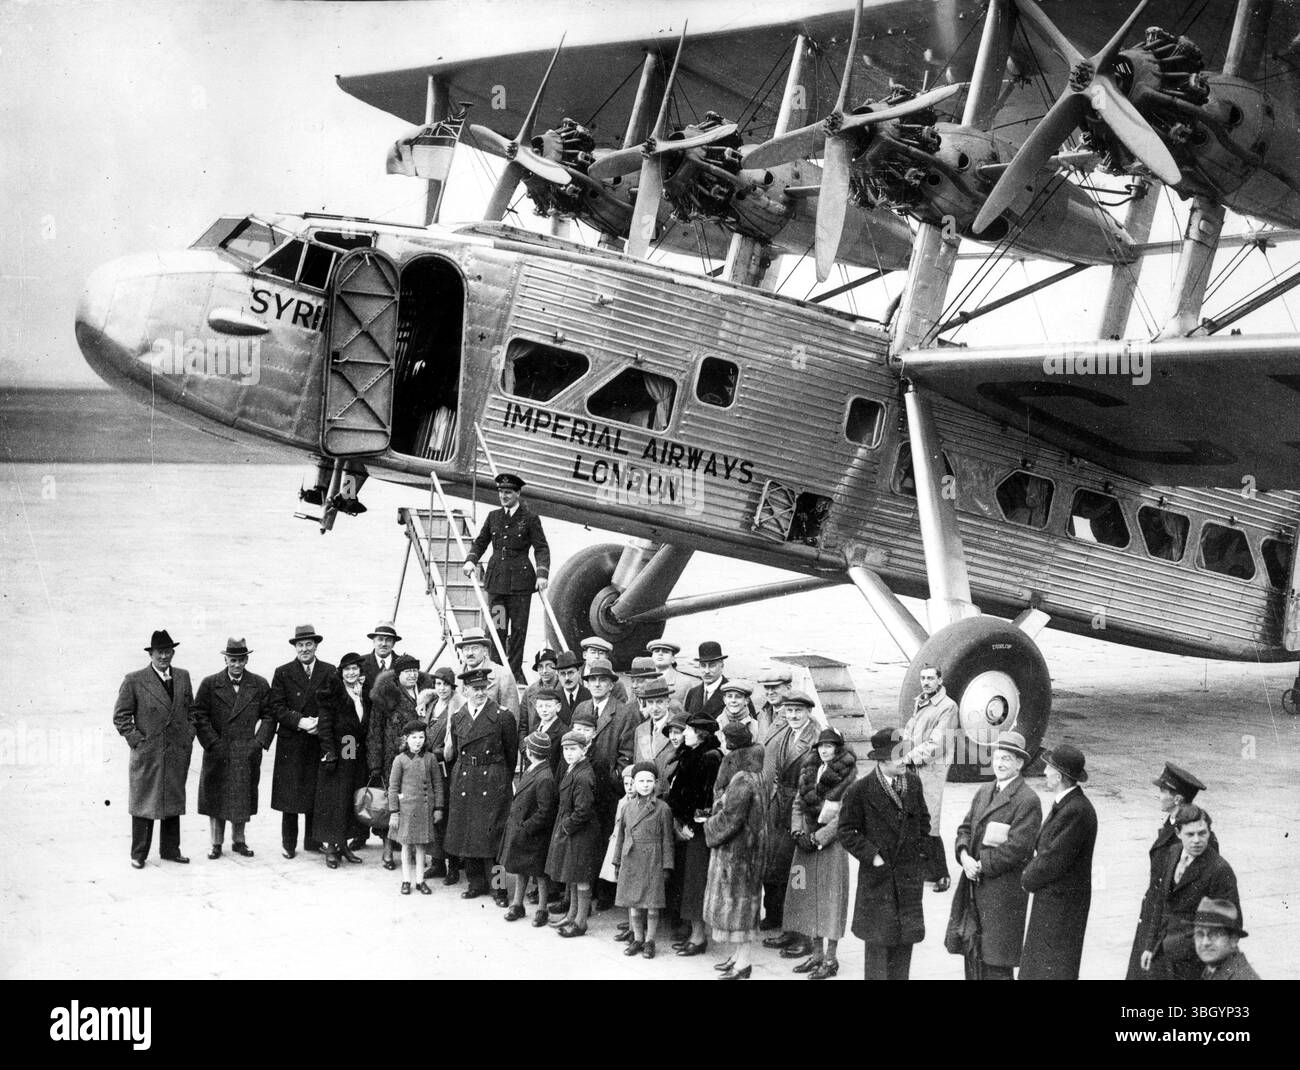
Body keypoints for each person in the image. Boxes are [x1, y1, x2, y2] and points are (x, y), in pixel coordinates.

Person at [840, 728, 931, 980]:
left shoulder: (913, 783)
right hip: (878, 881)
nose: (905, 760)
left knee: (904, 945)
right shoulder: (860, 790)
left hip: (908, 879)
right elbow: (846, 831)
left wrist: (923, 858)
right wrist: (873, 856)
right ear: (881, 760)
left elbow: (924, 821)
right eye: (899, 756)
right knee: (879, 949)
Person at [951, 729, 1042, 980]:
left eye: (1007, 759)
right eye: (997, 757)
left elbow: (1018, 848)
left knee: (996, 965)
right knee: (973, 956)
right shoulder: (984, 790)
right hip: (974, 890)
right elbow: (965, 828)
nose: (999, 763)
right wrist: (963, 855)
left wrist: (980, 864)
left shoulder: (1027, 800)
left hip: (1002, 897)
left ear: (1020, 763)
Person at [113, 629, 196, 868]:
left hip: (175, 752)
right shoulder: (134, 680)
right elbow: (120, 716)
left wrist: (188, 736)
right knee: (144, 803)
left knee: (172, 801)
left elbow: (192, 711)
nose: (164, 657)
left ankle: (170, 850)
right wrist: (137, 740)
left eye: (168, 651)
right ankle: (138, 854)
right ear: (151, 654)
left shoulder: (183, 676)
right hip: (148, 754)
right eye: (159, 652)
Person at [1125, 761, 1214, 979]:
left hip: (1173, 927)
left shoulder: (1195, 836)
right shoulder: (1171, 823)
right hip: (1155, 916)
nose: (1159, 795)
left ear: (1177, 799)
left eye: (1163, 791)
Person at [782, 727, 859, 979]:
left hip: (831, 847)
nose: (824, 750)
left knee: (830, 900)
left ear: (838, 748)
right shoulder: (810, 770)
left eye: (830, 746)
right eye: (821, 746)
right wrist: (797, 833)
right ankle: (815, 954)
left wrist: (818, 839)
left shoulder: (848, 776)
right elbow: (797, 802)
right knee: (806, 896)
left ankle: (831, 958)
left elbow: (844, 816)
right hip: (805, 843)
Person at [1019, 743, 1098, 980]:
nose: (1044, 772)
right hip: (1054, 901)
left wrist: (1026, 879)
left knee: (1052, 966)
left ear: (1060, 775)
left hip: (1063, 906)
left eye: (1048, 768)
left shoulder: (1076, 810)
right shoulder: (1067, 804)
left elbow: (1053, 858)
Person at [462, 472, 550, 681]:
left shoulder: (530, 518)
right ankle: (495, 670)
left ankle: (512, 673)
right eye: (501, 492)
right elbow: (481, 541)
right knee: (497, 628)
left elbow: (541, 548)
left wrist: (542, 574)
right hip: (497, 585)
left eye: (508, 492)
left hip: (520, 585)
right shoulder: (494, 516)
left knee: (518, 629)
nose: (504, 496)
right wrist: (471, 560)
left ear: (518, 493)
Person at [269, 624, 346, 860]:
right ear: (295, 647)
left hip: (318, 741)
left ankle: (313, 842)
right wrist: (300, 721)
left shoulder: (330, 670)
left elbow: (336, 704)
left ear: (316, 646)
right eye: (300, 645)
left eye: (309, 644)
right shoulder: (282, 672)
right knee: (290, 796)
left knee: (317, 792)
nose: (304, 649)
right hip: (292, 742)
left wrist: (320, 723)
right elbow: (277, 707)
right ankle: (288, 844)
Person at [443, 666, 519, 903]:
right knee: (468, 834)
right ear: (465, 690)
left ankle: (499, 888)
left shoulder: (502, 715)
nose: (480, 693)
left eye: (483, 688)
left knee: (493, 837)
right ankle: (476, 883)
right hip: (465, 777)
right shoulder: (458, 716)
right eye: (475, 689)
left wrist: (502, 781)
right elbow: (455, 751)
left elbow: (511, 753)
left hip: (492, 778)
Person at [193, 637, 274, 860]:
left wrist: (258, 743)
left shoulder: (259, 684)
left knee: (242, 796)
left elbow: (269, 716)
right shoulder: (210, 684)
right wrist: (212, 743)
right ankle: (216, 843)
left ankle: (239, 841)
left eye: (240, 660)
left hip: (245, 751)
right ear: (225, 659)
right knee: (216, 796)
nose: (236, 664)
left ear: (246, 659)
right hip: (218, 749)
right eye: (232, 660)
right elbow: (199, 715)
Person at [1142, 805, 1239, 980]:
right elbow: (1161, 903)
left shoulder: (1219, 870)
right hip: (1162, 953)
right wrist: (1149, 946)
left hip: (1194, 963)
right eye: (1190, 834)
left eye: (1202, 833)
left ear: (1210, 833)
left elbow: (1231, 922)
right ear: (1178, 833)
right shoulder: (1173, 853)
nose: (1197, 840)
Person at [702, 735, 769, 980]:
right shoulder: (753, 773)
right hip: (747, 852)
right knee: (742, 908)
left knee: (741, 911)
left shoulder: (742, 779)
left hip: (739, 854)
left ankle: (743, 965)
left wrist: (708, 825)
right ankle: (737, 958)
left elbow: (731, 818)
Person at [760, 691, 821, 955]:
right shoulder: (786, 732)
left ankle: (803, 937)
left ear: (808, 712)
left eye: (798, 711)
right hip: (780, 806)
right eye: (789, 710)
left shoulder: (817, 738)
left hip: (802, 810)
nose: (793, 715)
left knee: (800, 874)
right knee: (780, 868)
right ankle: (787, 927)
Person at [577, 657, 639, 910]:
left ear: (612, 685)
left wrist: (612, 777)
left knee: (605, 837)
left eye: (603, 680)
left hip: (607, 788)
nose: (597, 684)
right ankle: (585, 889)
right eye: (593, 680)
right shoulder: (581, 708)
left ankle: (604, 894)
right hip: (583, 784)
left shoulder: (623, 712)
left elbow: (627, 754)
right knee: (584, 839)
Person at [667, 714, 724, 956]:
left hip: (698, 831)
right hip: (685, 826)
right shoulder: (690, 753)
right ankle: (693, 932)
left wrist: (692, 824)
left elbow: (708, 798)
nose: (684, 733)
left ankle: (699, 937)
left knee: (695, 884)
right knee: (687, 881)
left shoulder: (710, 758)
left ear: (701, 735)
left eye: (688, 730)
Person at [900, 663, 959, 891]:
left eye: (930, 678)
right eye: (923, 678)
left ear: (940, 680)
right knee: (915, 819)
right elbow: (911, 730)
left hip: (930, 770)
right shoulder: (922, 701)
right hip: (915, 767)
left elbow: (938, 744)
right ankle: (925, 871)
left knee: (929, 821)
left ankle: (941, 875)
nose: (926, 682)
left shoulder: (947, 707)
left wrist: (908, 757)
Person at [613, 762, 676, 958]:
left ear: (656, 783)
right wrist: (617, 861)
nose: (645, 785)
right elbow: (621, 836)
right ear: (634, 783)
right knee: (634, 903)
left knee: (652, 904)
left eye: (649, 781)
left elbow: (667, 839)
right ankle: (638, 938)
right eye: (641, 781)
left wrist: (667, 866)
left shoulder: (662, 808)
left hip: (652, 861)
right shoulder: (627, 806)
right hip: (632, 858)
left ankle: (650, 941)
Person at [368, 653, 424, 871]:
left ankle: (411, 850)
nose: (411, 675)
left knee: (413, 804)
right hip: (392, 759)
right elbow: (374, 732)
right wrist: (375, 764)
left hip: (418, 759)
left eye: (414, 671)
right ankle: (388, 849)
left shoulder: (425, 694)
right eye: (406, 672)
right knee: (391, 805)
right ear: (398, 675)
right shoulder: (386, 697)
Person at [315, 650, 367, 870]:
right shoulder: (333, 694)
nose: (352, 673)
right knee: (336, 800)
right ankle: (332, 850)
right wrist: (329, 754)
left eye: (355, 669)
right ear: (341, 673)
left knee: (349, 798)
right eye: (347, 669)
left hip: (354, 751)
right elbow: (324, 727)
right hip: (338, 753)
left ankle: (344, 844)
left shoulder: (361, 692)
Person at [546, 730, 601, 937]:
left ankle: (580, 922)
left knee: (581, 877)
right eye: (566, 749)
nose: (568, 753)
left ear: (584, 749)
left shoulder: (583, 775)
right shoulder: (574, 769)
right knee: (574, 875)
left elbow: (583, 811)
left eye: (573, 749)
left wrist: (566, 826)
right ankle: (571, 915)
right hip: (574, 830)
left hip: (581, 832)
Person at [502, 731, 560, 925]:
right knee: (521, 869)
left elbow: (545, 811)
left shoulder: (544, 777)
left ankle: (542, 910)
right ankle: (518, 904)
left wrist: (526, 828)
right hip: (525, 832)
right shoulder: (534, 770)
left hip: (534, 834)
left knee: (540, 874)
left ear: (530, 752)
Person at [388, 720, 446, 895]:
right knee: (406, 846)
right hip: (406, 811)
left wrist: (438, 808)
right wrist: (394, 812)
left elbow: (437, 784)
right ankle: (406, 880)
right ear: (406, 739)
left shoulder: (430, 758)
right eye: (414, 737)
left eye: (421, 737)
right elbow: (393, 787)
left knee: (421, 847)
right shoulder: (400, 760)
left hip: (425, 810)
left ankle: (420, 881)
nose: (418, 741)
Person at [423, 666, 465, 882]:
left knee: (448, 815)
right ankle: (437, 862)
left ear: (452, 687)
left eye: (445, 685)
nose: (441, 688)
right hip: (429, 768)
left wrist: (436, 754)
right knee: (434, 814)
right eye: (438, 684)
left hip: (446, 769)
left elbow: (456, 744)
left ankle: (453, 866)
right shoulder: (429, 705)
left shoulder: (456, 709)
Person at [455, 628, 521, 719]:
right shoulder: (456, 675)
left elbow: (511, 716)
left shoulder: (502, 675)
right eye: (466, 649)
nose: (470, 653)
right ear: (462, 652)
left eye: (475, 648)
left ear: (485, 651)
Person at [1195, 897, 1259, 980]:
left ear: (1233, 940)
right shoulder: (1211, 970)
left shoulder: (1242, 976)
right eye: (1200, 934)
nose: (1205, 942)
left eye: (1214, 934)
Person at [633, 681, 678, 786]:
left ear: (668, 702)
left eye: (659, 702)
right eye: (650, 702)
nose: (654, 708)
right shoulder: (640, 730)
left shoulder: (677, 726)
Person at [684, 641, 730, 717]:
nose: (707, 671)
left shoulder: (733, 693)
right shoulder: (692, 693)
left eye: (712, 665)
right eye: (703, 665)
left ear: (721, 665)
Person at [521, 648, 560, 734]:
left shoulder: (564, 689)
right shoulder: (529, 692)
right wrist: (524, 746)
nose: (544, 671)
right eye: (540, 667)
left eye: (549, 666)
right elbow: (523, 726)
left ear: (556, 666)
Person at [579, 636, 630, 702]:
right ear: (584, 655)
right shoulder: (574, 676)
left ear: (607, 657)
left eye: (601, 653)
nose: (597, 656)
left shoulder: (616, 683)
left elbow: (622, 707)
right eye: (593, 652)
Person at [647, 638, 697, 704]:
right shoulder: (644, 680)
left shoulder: (684, 682)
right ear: (652, 657)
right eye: (656, 651)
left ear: (673, 659)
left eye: (665, 652)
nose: (660, 654)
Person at [716, 680, 760, 751]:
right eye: (730, 696)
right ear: (724, 700)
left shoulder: (756, 726)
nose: (733, 700)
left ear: (746, 700)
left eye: (738, 697)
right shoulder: (716, 724)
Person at [755, 666, 792, 740]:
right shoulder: (762, 714)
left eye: (775, 687)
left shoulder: (795, 716)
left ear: (788, 688)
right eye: (766, 687)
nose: (770, 692)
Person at [555, 651, 591, 722]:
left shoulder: (589, 696)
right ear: (558, 676)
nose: (567, 678)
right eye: (562, 674)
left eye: (570, 673)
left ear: (578, 673)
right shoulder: (554, 698)